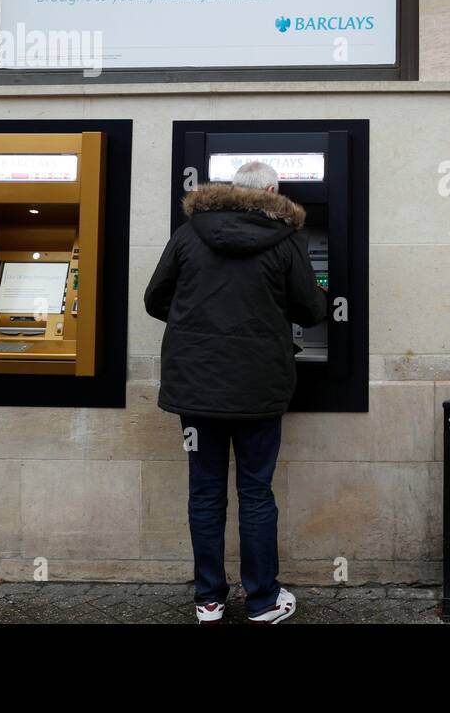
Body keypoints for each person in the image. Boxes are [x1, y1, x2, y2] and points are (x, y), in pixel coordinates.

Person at [145, 161, 328, 624]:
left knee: (205, 491)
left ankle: (209, 599)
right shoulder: (287, 240)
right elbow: (310, 310)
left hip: (197, 387)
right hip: (258, 387)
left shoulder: (190, 234)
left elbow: (154, 299)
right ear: (270, 191)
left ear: (231, 190)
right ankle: (263, 601)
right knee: (256, 491)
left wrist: (197, 324)